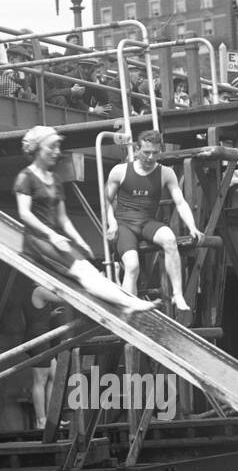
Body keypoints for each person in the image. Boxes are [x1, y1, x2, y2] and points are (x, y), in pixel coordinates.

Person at [14, 125, 156, 314]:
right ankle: (128, 303)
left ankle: (127, 302)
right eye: (52, 147)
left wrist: (80, 240)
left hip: (54, 239)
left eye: (58, 147)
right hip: (36, 241)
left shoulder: (54, 179)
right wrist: (51, 235)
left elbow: (63, 218)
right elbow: (24, 214)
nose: (56, 152)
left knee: (90, 271)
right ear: (38, 149)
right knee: (84, 273)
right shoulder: (26, 177)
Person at [104, 130, 202, 313]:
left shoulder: (166, 173)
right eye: (146, 152)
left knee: (170, 239)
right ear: (137, 149)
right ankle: (128, 311)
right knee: (132, 266)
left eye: (155, 153)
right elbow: (106, 201)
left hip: (147, 222)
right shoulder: (120, 171)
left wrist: (192, 227)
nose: (150, 157)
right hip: (125, 224)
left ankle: (177, 295)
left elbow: (180, 202)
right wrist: (112, 223)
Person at [24, 284, 69, 430]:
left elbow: (35, 315)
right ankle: (41, 421)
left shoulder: (34, 292)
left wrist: (50, 315)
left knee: (54, 375)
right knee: (40, 380)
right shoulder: (38, 290)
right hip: (38, 338)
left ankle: (52, 418)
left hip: (42, 336)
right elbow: (62, 297)